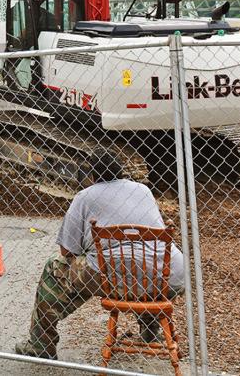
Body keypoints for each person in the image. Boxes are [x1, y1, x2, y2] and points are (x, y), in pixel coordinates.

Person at [14, 149, 186, 360]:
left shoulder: (85, 196)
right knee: (140, 268)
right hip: (169, 277)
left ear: (92, 175)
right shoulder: (142, 190)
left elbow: (67, 251)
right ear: (122, 171)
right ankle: (151, 332)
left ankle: (41, 344)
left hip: (113, 278)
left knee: (55, 267)